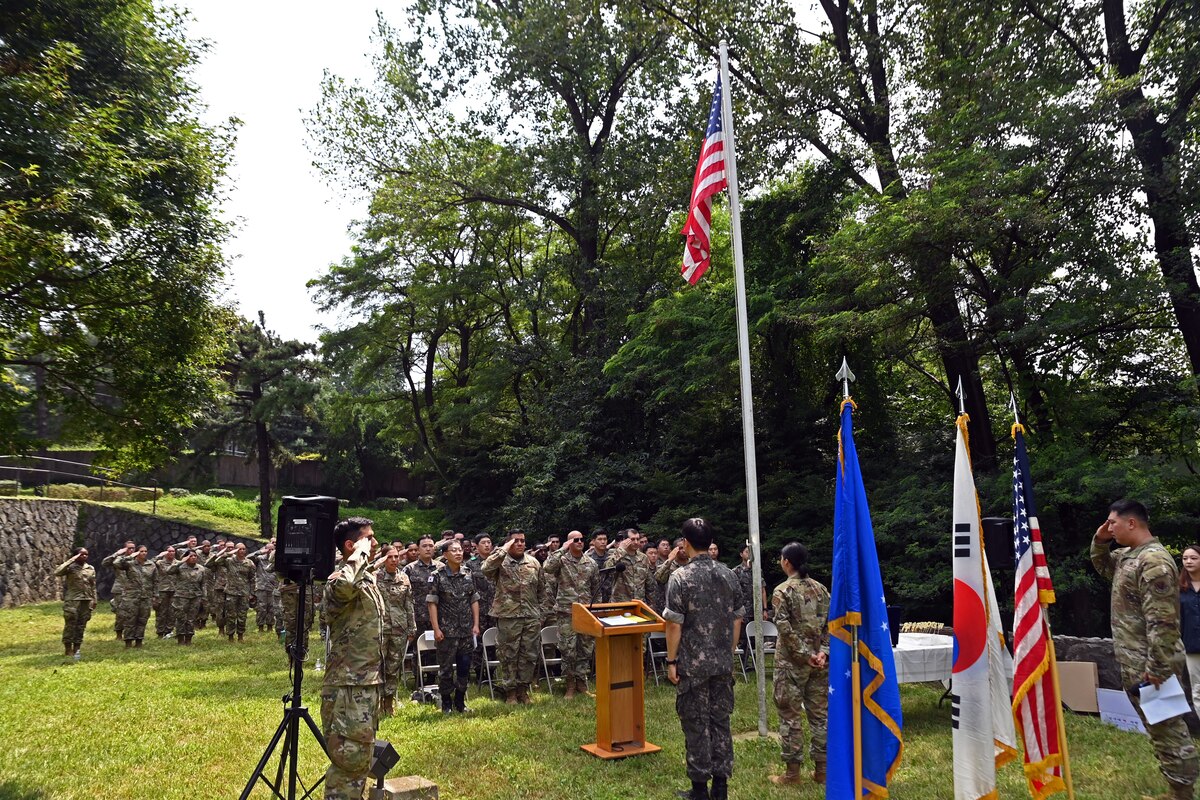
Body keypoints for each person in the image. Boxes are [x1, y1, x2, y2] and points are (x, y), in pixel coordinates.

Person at [1092, 499, 1198, 800]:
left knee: (1169, 728)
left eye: (1112, 523)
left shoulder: (1153, 561)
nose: (1109, 528)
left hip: (1152, 665)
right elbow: (1103, 566)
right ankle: (1177, 788)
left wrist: (1158, 669)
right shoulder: (1129, 556)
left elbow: (1163, 621)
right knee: (1158, 727)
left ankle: (1182, 792)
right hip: (1136, 661)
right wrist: (1100, 540)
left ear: (1131, 523)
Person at [663, 518, 743, 800]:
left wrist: (671, 661)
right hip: (722, 662)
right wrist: (729, 651)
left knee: (697, 724)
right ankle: (721, 787)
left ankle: (699, 790)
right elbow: (737, 618)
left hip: (693, 665)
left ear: (685, 543)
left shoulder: (680, 577)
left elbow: (674, 624)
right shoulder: (728, 574)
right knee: (720, 722)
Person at [321, 516, 386, 800]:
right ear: (351, 545)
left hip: (365, 683)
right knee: (349, 758)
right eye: (368, 538)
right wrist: (358, 553)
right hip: (349, 685)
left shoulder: (367, 577)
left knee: (360, 757)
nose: (374, 544)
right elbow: (344, 586)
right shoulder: (340, 578)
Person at [768, 542, 829, 786]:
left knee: (790, 716)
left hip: (791, 665)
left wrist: (806, 655)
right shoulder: (822, 590)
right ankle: (822, 771)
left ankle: (792, 774)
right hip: (819, 664)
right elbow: (830, 626)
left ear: (787, 562)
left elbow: (784, 630)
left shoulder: (782, 591)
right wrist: (822, 653)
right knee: (820, 716)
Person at [482, 529, 544, 704]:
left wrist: (541, 613)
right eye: (515, 541)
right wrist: (503, 549)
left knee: (529, 655)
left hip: (531, 616)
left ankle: (523, 691)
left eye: (523, 541)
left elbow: (541, 589)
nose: (520, 543)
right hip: (509, 616)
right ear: (508, 543)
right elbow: (485, 568)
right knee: (509, 655)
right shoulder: (500, 561)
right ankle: (510, 692)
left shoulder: (533, 563)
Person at [543, 530, 599, 698]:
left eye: (582, 539)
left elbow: (596, 588)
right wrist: (562, 548)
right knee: (568, 650)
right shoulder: (561, 560)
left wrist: (596, 609)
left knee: (585, 648)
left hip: (586, 612)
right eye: (575, 540)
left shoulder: (591, 563)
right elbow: (547, 567)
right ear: (568, 542)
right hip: (566, 612)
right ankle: (569, 685)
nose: (580, 542)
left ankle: (582, 683)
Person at [427, 540, 480, 713]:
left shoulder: (467, 573)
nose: (458, 553)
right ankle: (446, 702)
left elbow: (474, 600)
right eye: (454, 550)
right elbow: (432, 603)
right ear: (445, 554)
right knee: (446, 670)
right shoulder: (438, 575)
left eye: (460, 550)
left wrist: (476, 624)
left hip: (465, 630)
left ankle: (460, 702)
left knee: (464, 669)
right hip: (446, 632)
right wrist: (436, 628)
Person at [375, 545, 415, 717]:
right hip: (379, 628)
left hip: (399, 628)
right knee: (377, 665)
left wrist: (412, 627)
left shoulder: (404, 578)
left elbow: (409, 604)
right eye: (389, 557)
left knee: (393, 666)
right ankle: (376, 702)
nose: (393, 560)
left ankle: (389, 702)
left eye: (396, 557)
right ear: (383, 559)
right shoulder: (375, 577)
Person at [55, 548, 96, 657]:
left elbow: (93, 585)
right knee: (71, 624)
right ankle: (68, 648)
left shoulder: (90, 568)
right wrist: (71, 560)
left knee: (81, 624)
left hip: (86, 600)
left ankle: (77, 648)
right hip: (73, 600)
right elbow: (57, 572)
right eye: (81, 554)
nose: (84, 556)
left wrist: (94, 599)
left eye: (86, 554)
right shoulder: (70, 568)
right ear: (76, 555)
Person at [114, 545, 157, 648]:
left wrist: (155, 595)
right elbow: (116, 563)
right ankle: (128, 641)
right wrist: (129, 556)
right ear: (137, 552)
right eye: (141, 551)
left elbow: (155, 581)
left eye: (145, 551)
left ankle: (139, 641)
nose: (144, 553)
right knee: (130, 619)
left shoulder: (151, 565)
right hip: (131, 597)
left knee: (142, 619)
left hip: (145, 597)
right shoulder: (130, 564)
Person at [212, 542, 256, 642]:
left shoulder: (249, 563)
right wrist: (227, 553)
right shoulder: (229, 561)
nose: (242, 551)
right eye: (240, 549)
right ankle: (230, 636)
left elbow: (252, 579)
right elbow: (215, 562)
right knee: (231, 615)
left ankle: (240, 635)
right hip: (231, 593)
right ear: (235, 550)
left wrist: (252, 593)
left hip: (243, 593)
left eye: (244, 549)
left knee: (242, 615)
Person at [167, 550, 207, 645]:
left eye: (195, 556)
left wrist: (204, 597)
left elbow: (203, 584)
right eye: (191, 556)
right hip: (181, 597)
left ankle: (189, 639)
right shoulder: (180, 567)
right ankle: (180, 639)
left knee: (191, 618)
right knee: (181, 618)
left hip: (195, 596)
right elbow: (169, 571)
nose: (193, 557)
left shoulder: (201, 568)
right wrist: (181, 561)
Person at [607, 528, 653, 604]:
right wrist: (621, 550)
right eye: (632, 539)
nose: (636, 542)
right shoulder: (617, 555)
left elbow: (649, 584)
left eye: (637, 539)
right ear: (625, 540)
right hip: (620, 603)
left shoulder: (643, 558)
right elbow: (607, 568)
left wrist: (651, 605)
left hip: (639, 603)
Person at [404, 535, 439, 635]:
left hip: (439, 617)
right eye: (424, 546)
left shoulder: (441, 567)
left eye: (431, 546)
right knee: (420, 648)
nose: (428, 549)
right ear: (418, 549)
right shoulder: (409, 569)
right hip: (418, 617)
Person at [101, 540, 136, 640]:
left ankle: (130, 633)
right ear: (124, 549)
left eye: (133, 548)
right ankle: (119, 633)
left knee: (132, 612)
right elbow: (104, 563)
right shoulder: (118, 559)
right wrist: (116, 554)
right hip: (120, 588)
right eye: (129, 548)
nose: (131, 550)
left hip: (133, 589)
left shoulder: (135, 559)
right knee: (120, 612)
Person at [1181, 545, 1200, 717]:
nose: (1189, 561)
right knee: (1197, 690)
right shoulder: (1179, 588)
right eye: (1185, 558)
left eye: (1193, 558)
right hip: (1192, 646)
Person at [249, 541, 280, 633]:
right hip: (261, 587)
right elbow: (248, 557)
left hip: (273, 587)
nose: (270, 551)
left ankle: (270, 626)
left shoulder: (276, 560)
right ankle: (261, 626)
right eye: (268, 549)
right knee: (261, 608)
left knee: (271, 608)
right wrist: (260, 552)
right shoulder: (260, 559)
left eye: (272, 549)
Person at [152, 546, 178, 638]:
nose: (171, 553)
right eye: (169, 551)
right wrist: (159, 555)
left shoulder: (177, 563)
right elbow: (150, 562)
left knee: (172, 612)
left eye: (173, 551)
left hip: (174, 590)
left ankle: (169, 631)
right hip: (162, 590)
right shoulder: (160, 562)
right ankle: (160, 631)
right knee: (161, 612)